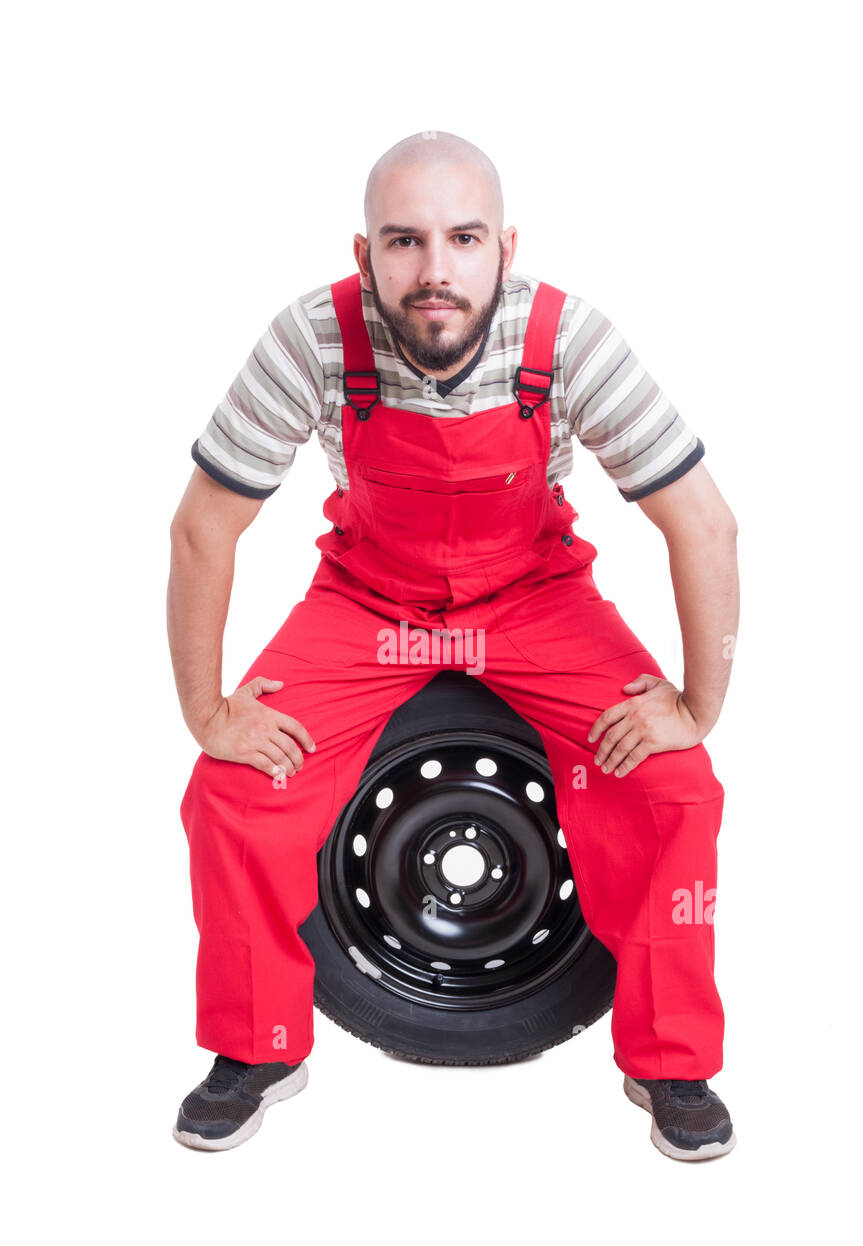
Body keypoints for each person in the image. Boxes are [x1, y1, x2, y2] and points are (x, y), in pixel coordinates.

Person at [167, 130, 739, 1161]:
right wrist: (207, 710)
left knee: (674, 786)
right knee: (231, 792)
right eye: (404, 241)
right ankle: (257, 1047)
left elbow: (700, 521)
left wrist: (697, 703)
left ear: (503, 247)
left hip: (530, 595)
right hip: (368, 599)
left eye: (462, 238)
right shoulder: (311, 338)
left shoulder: (567, 339)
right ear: (362, 253)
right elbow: (204, 525)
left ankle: (668, 1059)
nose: (435, 269)